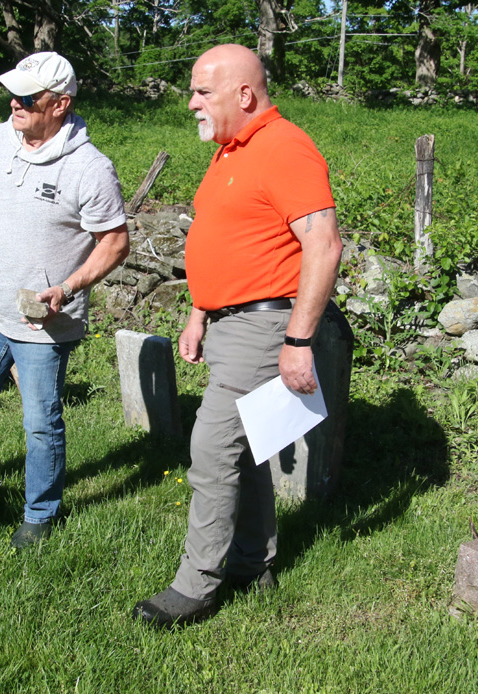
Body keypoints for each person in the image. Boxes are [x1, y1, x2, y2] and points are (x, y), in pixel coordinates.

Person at [133, 43, 342, 627]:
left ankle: (196, 585)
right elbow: (226, 238)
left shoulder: (285, 146)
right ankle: (254, 561)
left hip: (263, 323)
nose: (191, 102)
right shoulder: (230, 151)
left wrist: (298, 342)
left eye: (202, 91)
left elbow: (323, 245)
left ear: (244, 95)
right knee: (247, 446)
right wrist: (199, 312)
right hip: (227, 321)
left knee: (212, 448)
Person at [0, 52, 129, 549]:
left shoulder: (90, 169)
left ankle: (41, 514)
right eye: (13, 93)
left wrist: (69, 288)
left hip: (44, 320)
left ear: (60, 104)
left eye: (28, 98)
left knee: (39, 420)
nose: (15, 104)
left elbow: (116, 242)